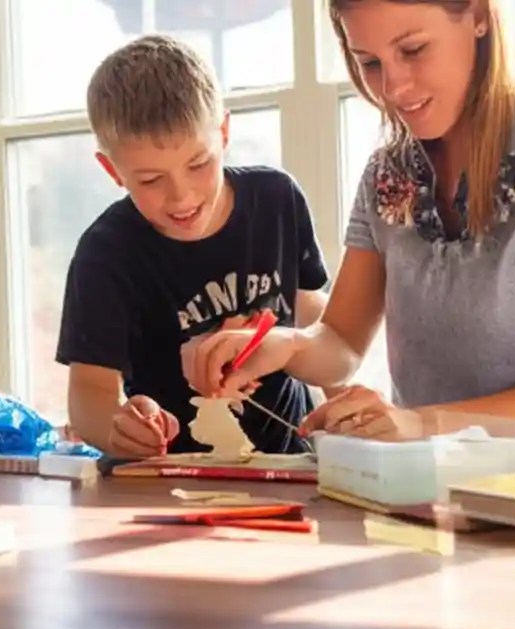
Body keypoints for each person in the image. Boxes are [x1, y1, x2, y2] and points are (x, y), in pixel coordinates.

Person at [182, 0, 515, 440]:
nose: (393, 88)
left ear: (478, 15)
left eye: (413, 50)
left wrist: (420, 426)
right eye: (370, 63)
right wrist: (286, 346)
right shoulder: (389, 175)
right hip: (432, 492)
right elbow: (341, 340)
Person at [56, 34, 330, 459]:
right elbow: (89, 392)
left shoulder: (278, 199)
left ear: (223, 132)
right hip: (174, 477)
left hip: (291, 460)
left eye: (199, 164)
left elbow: (313, 312)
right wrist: (118, 429)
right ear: (113, 170)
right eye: (150, 180)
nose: (181, 197)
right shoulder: (105, 253)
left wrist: (343, 407)